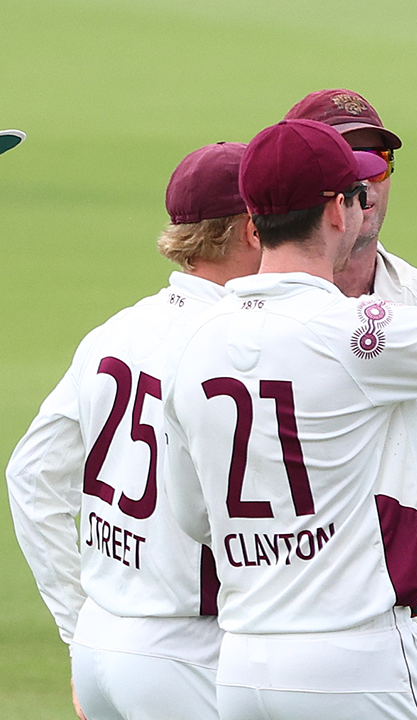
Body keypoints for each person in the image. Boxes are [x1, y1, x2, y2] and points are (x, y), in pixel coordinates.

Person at [163, 84, 417, 720]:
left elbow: (193, 517)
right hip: (357, 661)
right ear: (339, 213)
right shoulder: (360, 332)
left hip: (241, 667)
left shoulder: (193, 340)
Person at [7, 140, 261, 720]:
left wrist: (78, 628)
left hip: (101, 643)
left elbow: (30, 476)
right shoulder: (238, 344)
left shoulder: (115, 330)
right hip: (195, 650)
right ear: (251, 228)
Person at [284, 88, 417, 609]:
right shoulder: (251, 302)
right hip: (277, 566)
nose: (364, 180)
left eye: (378, 162)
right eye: (343, 159)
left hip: (383, 578)